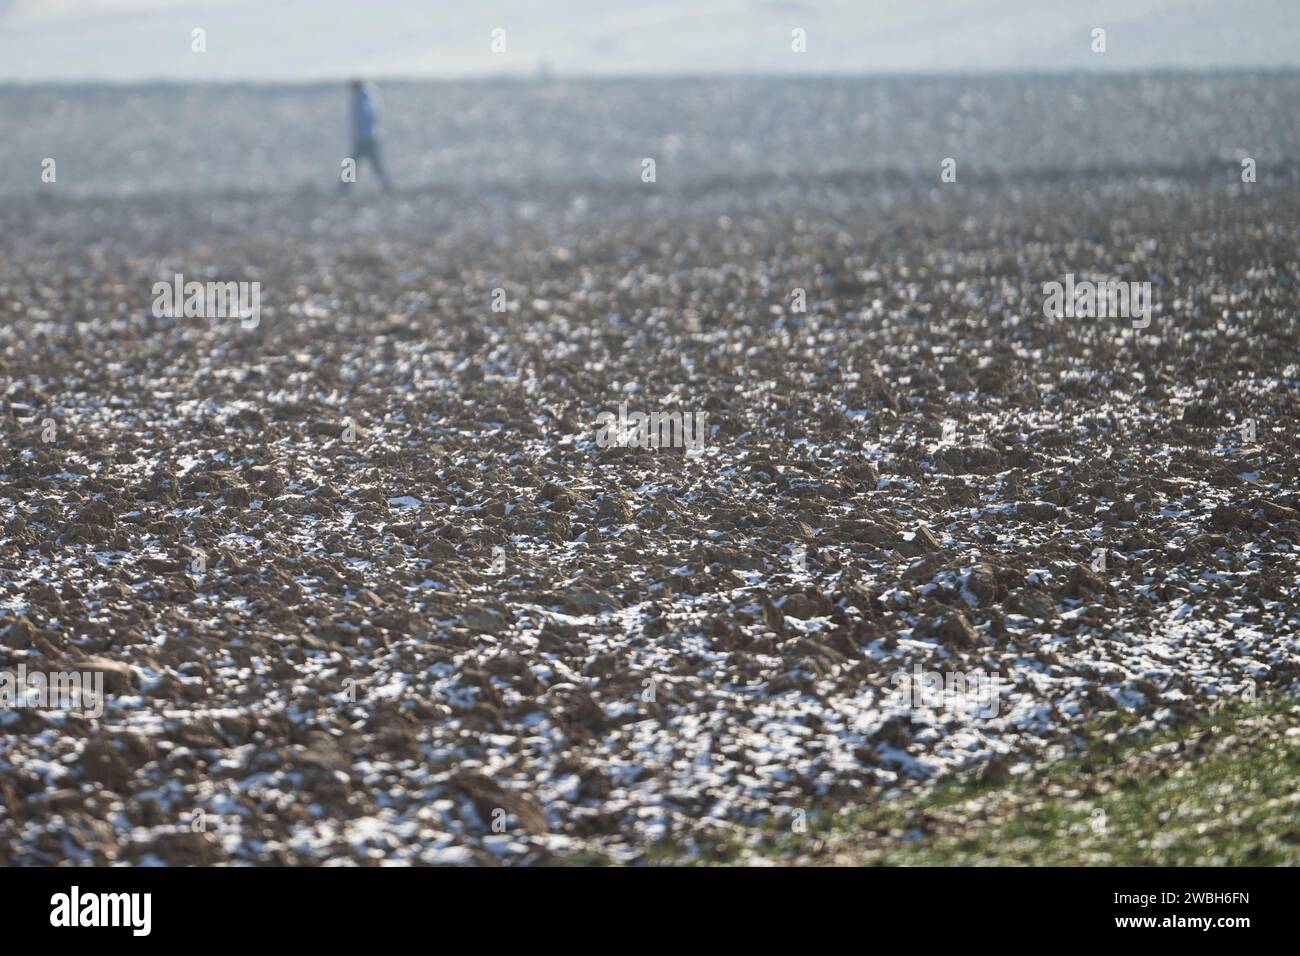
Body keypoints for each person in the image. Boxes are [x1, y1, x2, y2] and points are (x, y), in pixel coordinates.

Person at [345, 80, 393, 193]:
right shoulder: (371, 97)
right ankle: (387, 186)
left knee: (352, 163)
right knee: (376, 165)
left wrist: (359, 130)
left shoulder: (360, 99)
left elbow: (361, 117)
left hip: (363, 137)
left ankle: (343, 188)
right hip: (371, 136)